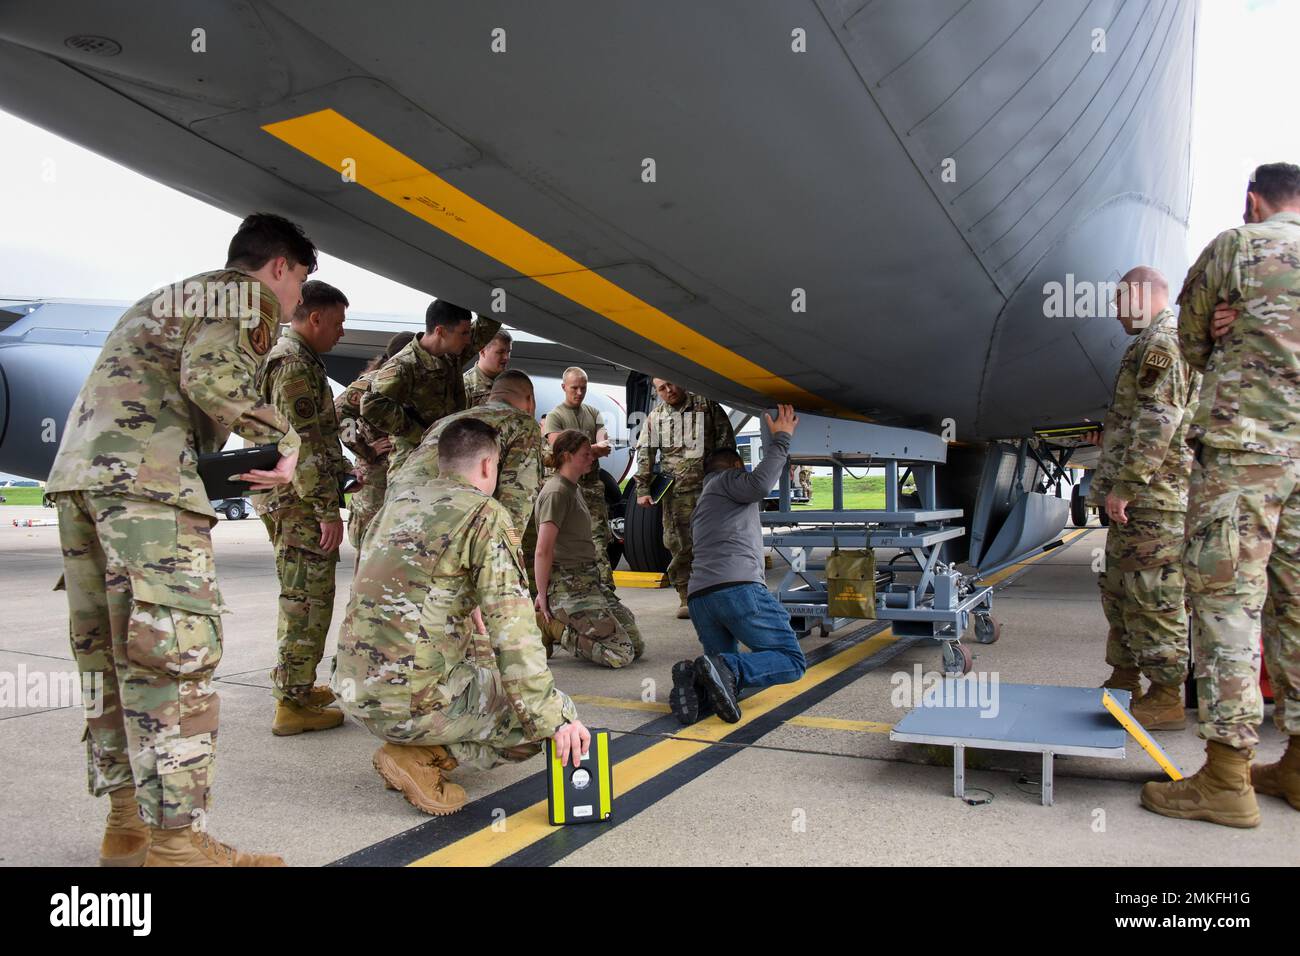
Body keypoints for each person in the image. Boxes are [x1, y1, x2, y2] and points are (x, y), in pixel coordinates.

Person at [45, 212, 312, 866]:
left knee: (110, 660)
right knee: (175, 657)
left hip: (82, 482)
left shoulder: (164, 297)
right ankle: (178, 846)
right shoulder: (245, 296)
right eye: (300, 284)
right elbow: (212, 380)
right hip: (147, 487)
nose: (297, 302)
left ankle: (127, 827)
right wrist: (284, 442)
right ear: (279, 266)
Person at [1142, 162, 1300, 828]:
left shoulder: (1240, 246)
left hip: (1244, 454)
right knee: (1296, 604)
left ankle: (1227, 777)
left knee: (1228, 606)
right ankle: (1296, 762)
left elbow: (1188, 343)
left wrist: (1232, 330)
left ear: (1253, 200)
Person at [333, 419, 589, 816]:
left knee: (479, 654)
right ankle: (423, 755)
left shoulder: (394, 506)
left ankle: (413, 742)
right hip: (408, 705)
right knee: (541, 722)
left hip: (353, 690)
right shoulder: (484, 514)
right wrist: (555, 718)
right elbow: (515, 630)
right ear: (489, 466)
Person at [1081, 267, 1199, 730]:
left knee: (1154, 595)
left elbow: (1157, 422)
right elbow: (1138, 421)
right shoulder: (1149, 343)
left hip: (1154, 500)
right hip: (1140, 500)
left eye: (1117, 300)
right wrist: (1108, 438)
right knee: (1120, 590)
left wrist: (1127, 485)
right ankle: (1125, 678)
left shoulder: (1161, 343)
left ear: (1140, 295)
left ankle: (1166, 696)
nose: (1113, 310)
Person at [253, 279, 353, 736]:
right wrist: (325, 509)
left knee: (307, 597)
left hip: (296, 500)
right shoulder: (293, 366)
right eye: (337, 322)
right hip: (299, 504)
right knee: (306, 601)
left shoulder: (299, 360)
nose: (342, 332)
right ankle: (291, 703)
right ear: (314, 318)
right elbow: (303, 446)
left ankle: (297, 684)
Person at [669, 405, 806, 724]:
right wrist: (782, 441)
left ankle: (695, 683)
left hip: (702, 599)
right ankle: (727, 669)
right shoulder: (727, 480)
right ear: (734, 465)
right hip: (737, 590)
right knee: (790, 660)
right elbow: (760, 484)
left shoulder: (705, 502)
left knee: (722, 676)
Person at [391, 370, 545, 638]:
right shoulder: (522, 424)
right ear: (529, 400)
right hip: (447, 528)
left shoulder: (449, 421)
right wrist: (497, 582)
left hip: (394, 521)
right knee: (465, 632)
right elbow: (515, 509)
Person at [535, 430, 645, 667]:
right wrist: (542, 596)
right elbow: (543, 550)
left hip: (588, 579)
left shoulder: (573, 488)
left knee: (635, 645)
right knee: (620, 655)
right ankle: (551, 626)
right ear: (566, 456)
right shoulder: (557, 492)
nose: (592, 458)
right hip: (568, 584)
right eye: (586, 454)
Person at [360, 300, 500, 476]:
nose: (468, 339)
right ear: (440, 331)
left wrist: (478, 292)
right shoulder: (404, 365)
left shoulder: (451, 354)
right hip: (414, 461)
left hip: (448, 455)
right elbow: (371, 404)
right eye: (464, 333)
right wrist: (419, 433)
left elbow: (490, 324)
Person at [634, 378, 736, 618]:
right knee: (679, 544)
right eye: (662, 388)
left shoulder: (706, 405)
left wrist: (729, 480)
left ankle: (720, 594)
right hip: (676, 494)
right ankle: (686, 596)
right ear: (656, 392)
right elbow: (645, 454)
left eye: (671, 384)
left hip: (711, 490)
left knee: (717, 542)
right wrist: (642, 489)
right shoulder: (655, 418)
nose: (669, 390)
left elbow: (726, 441)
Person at [335, 332, 416, 560]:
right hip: (377, 479)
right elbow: (340, 414)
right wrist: (366, 449)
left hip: (406, 477)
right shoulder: (373, 381)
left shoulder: (414, 383)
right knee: (370, 552)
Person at [543, 366, 616, 588]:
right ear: (564, 387)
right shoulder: (555, 416)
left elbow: (605, 446)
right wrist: (592, 449)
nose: (579, 392)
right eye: (574, 388)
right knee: (566, 539)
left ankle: (606, 589)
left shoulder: (593, 413)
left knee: (598, 540)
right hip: (567, 487)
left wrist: (582, 451)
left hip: (591, 486)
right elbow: (559, 451)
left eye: (583, 388)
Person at [463, 329, 513, 407]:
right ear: (482, 352)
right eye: (500, 352)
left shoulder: (512, 382)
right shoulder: (465, 386)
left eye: (508, 352)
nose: (506, 357)